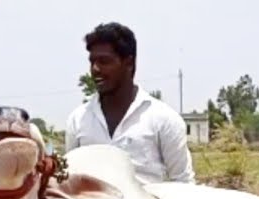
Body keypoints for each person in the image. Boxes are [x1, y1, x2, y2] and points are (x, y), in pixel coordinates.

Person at [63, 22, 195, 184]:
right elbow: (68, 179)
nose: (95, 69)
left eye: (104, 61)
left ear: (129, 63)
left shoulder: (163, 119)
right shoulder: (78, 120)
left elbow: (183, 183)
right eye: (92, 62)